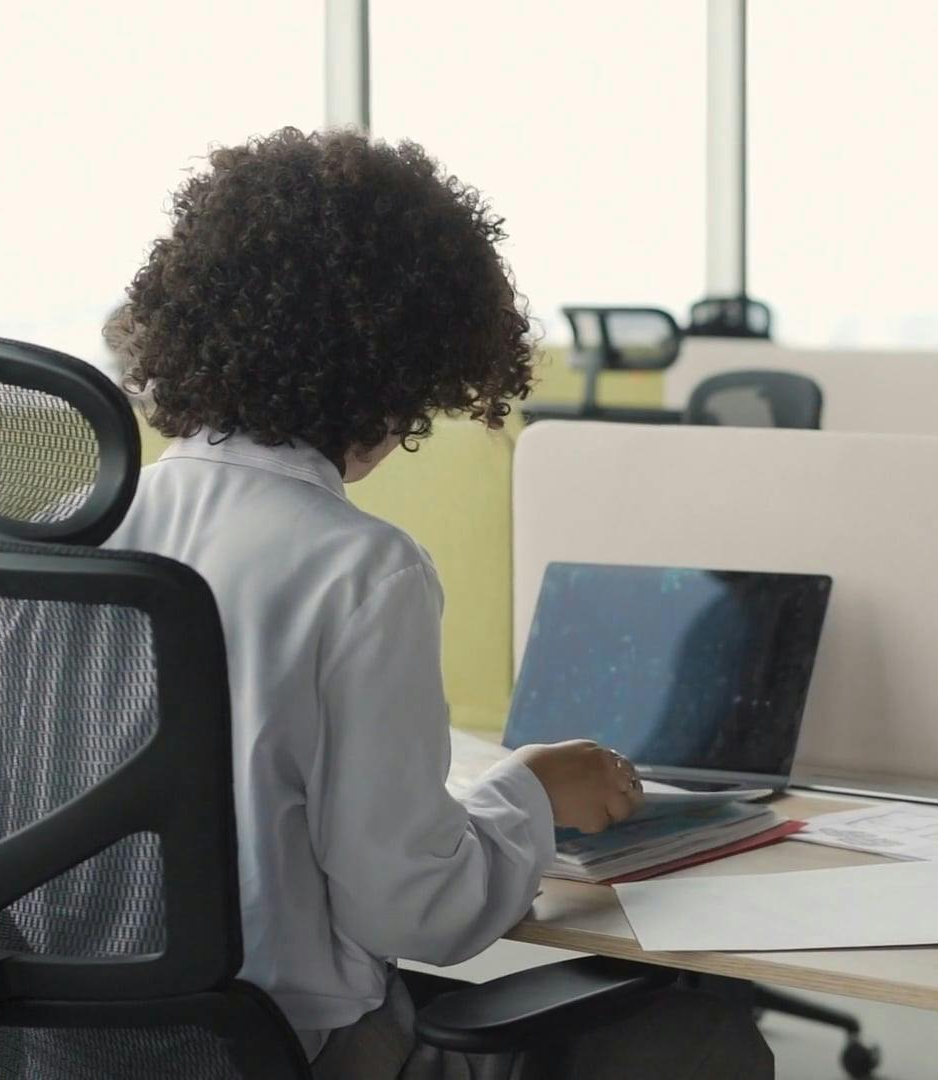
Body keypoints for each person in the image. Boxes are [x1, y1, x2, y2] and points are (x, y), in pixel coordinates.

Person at [104, 128, 772, 1079]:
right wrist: (530, 793)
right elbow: (416, 912)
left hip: (45, 1045)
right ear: (405, 366)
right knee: (700, 1040)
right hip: (285, 1053)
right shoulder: (360, 569)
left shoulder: (73, 528)